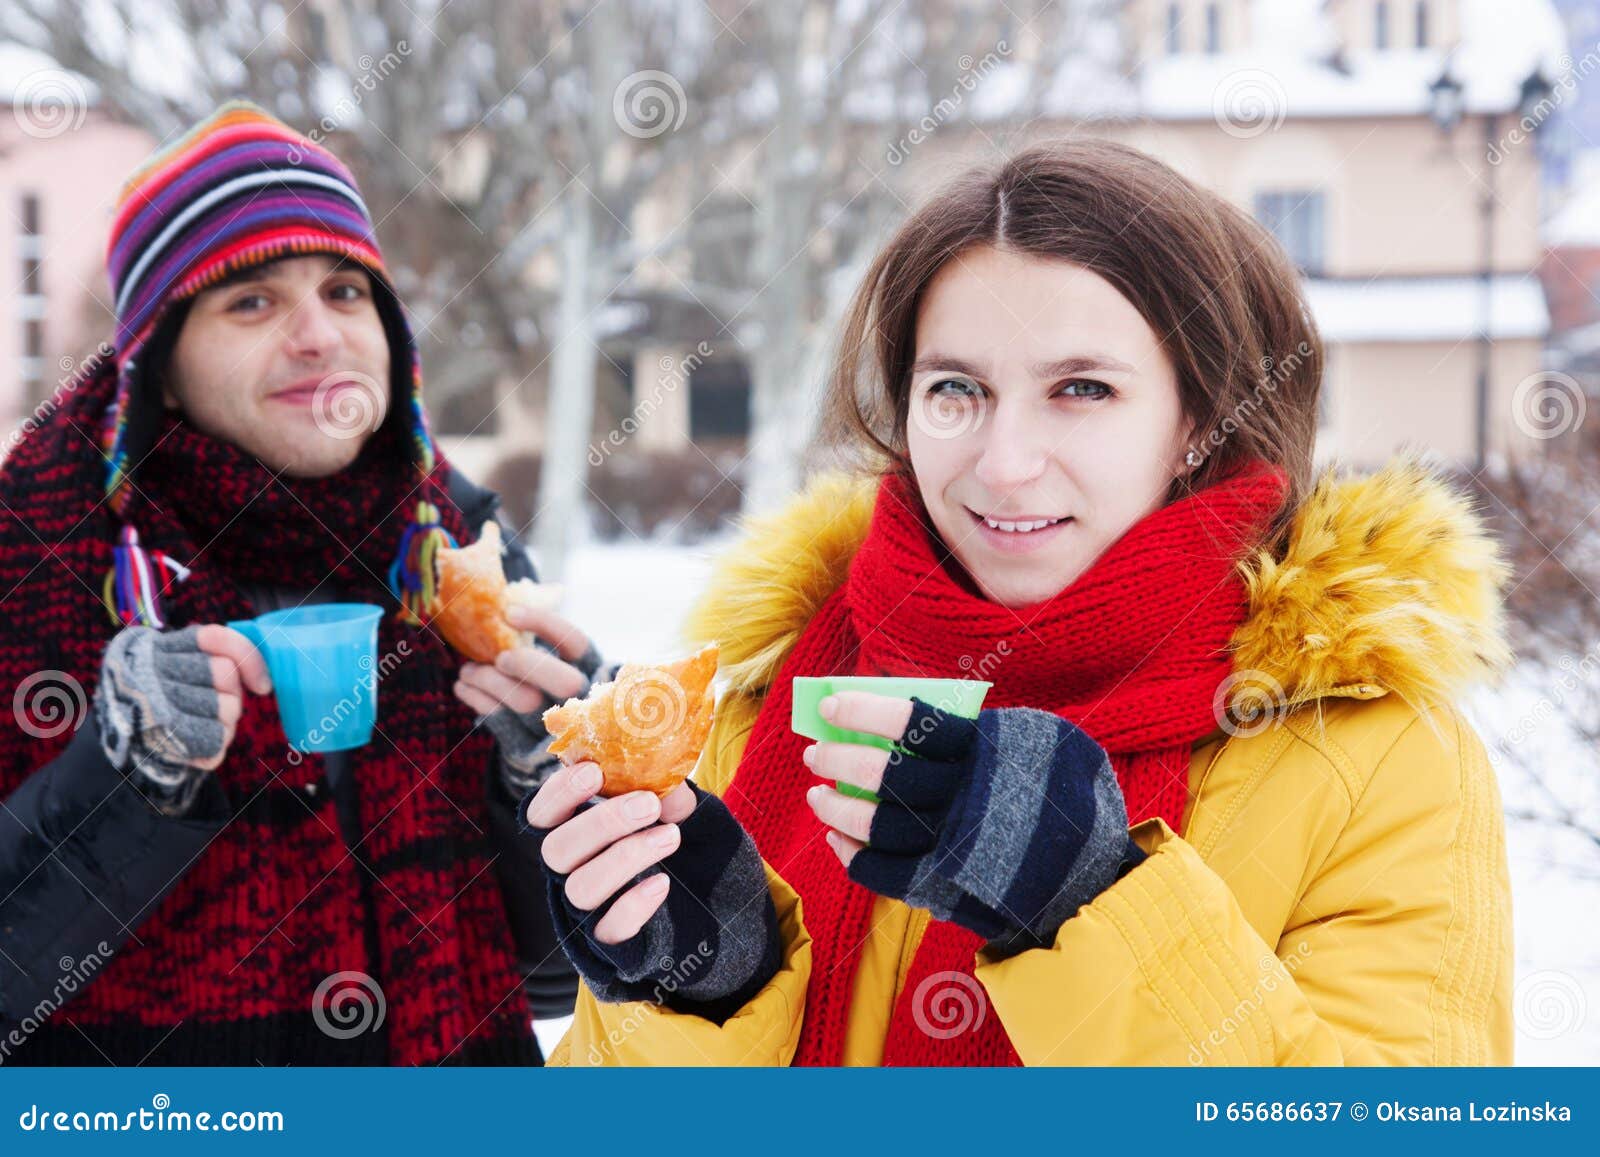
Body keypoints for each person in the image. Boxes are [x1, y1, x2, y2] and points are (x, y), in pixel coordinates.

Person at [528, 139, 1516, 1065]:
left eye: (1081, 388)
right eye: (955, 388)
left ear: (1199, 420)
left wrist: (1084, 898)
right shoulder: (759, 711)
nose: (1002, 465)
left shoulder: (1373, 752)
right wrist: (703, 990)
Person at [0, 102, 604, 1065]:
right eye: (251, 300)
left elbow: (561, 976)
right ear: (158, 364)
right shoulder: (34, 557)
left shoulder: (448, 546)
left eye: (345, 291)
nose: (317, 334)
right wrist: (123, 778)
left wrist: (558, 780)